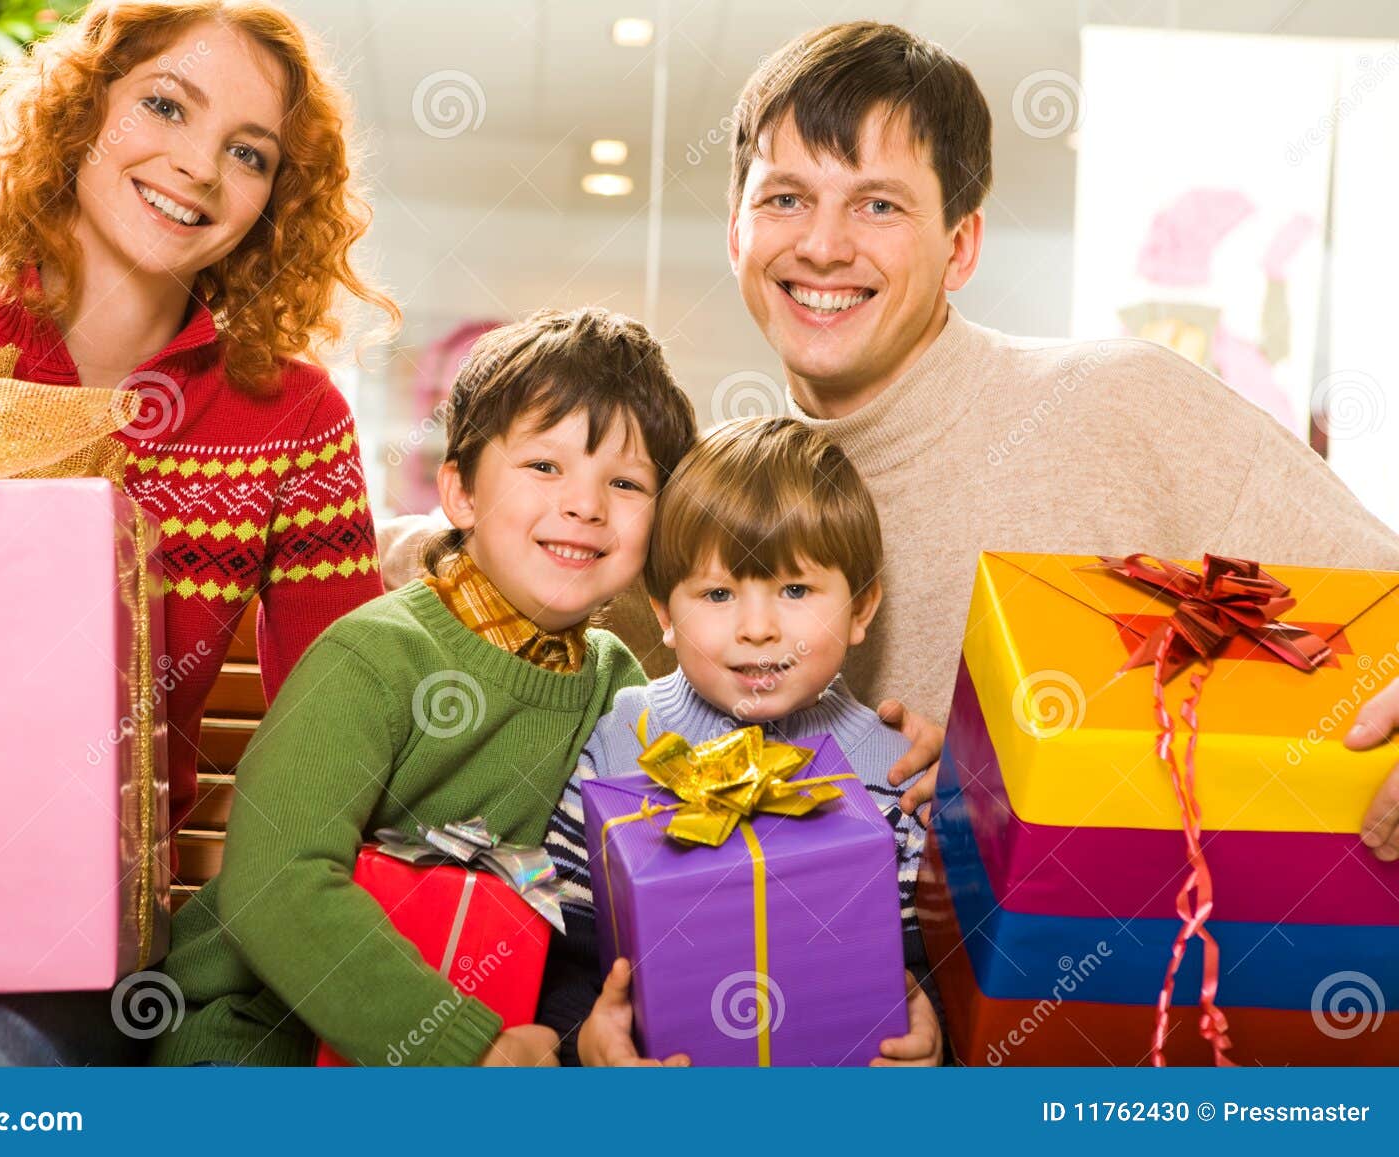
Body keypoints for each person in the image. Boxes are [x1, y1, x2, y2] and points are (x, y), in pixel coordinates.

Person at [381, 19, 1399, 842]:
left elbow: (1379, 595)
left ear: (960, 246)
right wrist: (443, 543)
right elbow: (496, 563)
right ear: (737, 229)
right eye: (785, 198)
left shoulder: (1123, 403)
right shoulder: (711, 500)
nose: (823, 245)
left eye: (877, 204)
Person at [0, 0, 391, 1065]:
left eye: (248, 153)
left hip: (71, 940)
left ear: (274, 199)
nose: (199, 169)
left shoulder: (292, 421)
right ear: (80, 112)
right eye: (166, 104)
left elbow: (343, 726)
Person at [149, 307, 699, 1066]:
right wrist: (463, 1051)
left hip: (499, 1036)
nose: (586, 504)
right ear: (462, 493)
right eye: (545, 466)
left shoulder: (618, 686)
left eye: (628, 481)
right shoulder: (373, 657)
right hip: (260, 1038)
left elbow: (655, 887)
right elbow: (276, 884)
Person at [539, 417, 942, 1066]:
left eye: (795, 589)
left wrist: (929, 1035)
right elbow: (563, 954)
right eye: (719, 592)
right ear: (666, 613)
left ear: (861, 608)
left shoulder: (899, 777)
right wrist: (583, 1036)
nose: (757, 628)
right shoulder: (610, 752)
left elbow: (928, 970)